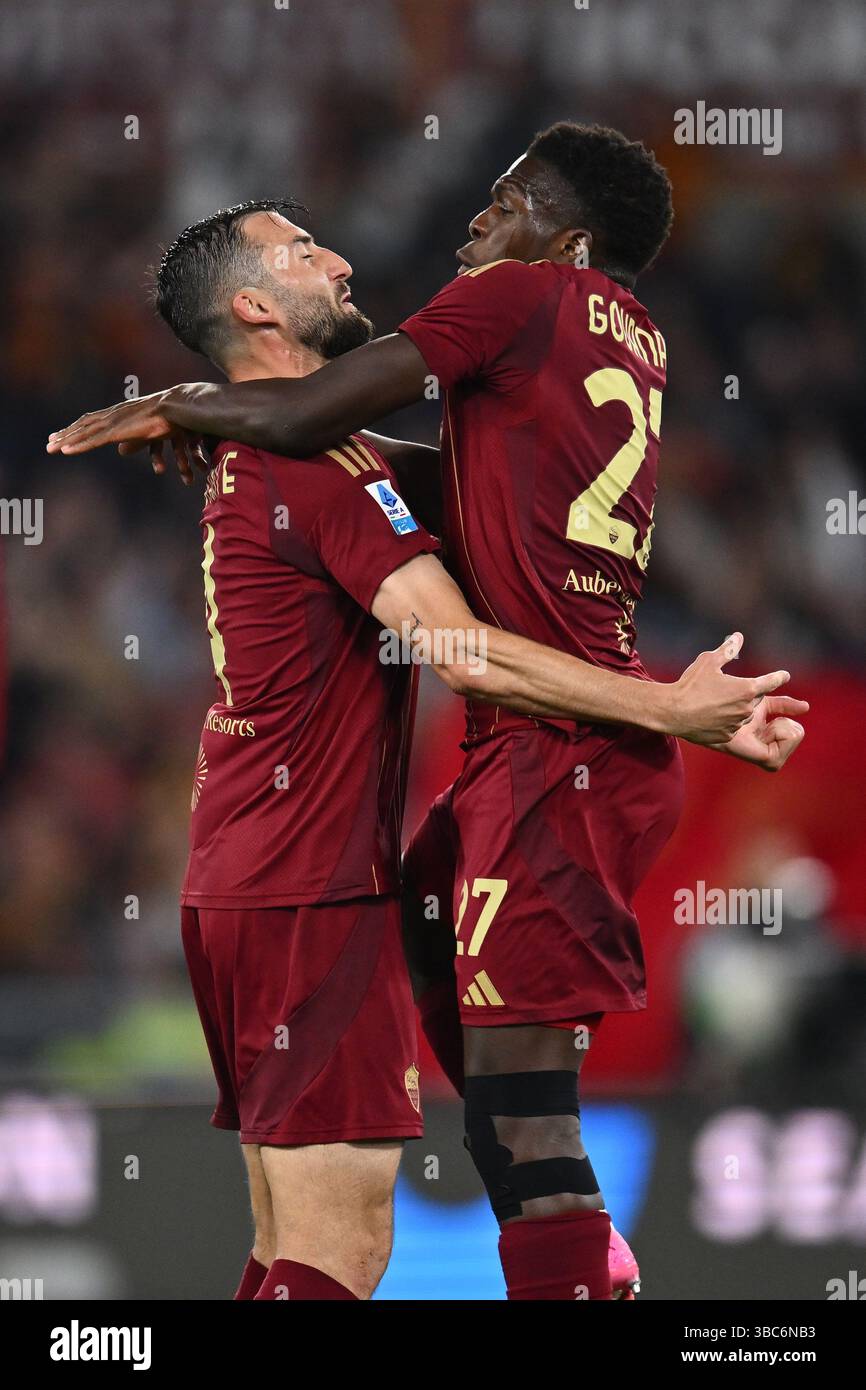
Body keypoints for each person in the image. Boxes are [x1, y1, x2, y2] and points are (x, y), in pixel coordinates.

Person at [48, 127, 807, 1300]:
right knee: (349, 1239)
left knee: (302, 1232)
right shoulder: (332, 457)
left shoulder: (313, 458)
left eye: (505, 202)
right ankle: (583, 1264)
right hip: (316, 881)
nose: (346, 261)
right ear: (254, 305)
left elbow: (461, 471)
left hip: (263, 873)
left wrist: (192, 404)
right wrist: (673, 706)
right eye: (304, 250)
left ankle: (578, 1257)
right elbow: (467, 649)